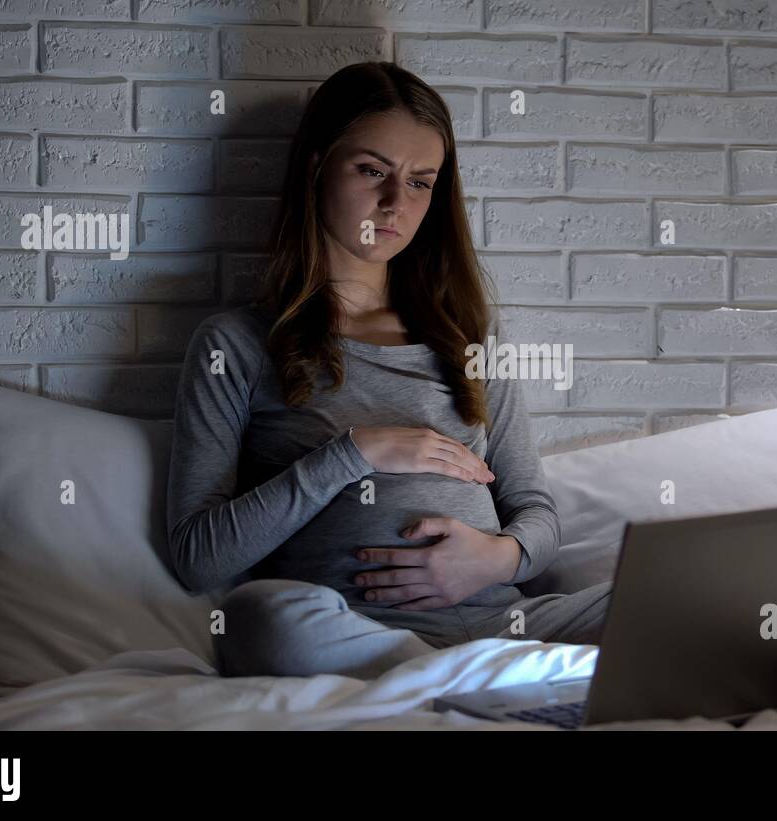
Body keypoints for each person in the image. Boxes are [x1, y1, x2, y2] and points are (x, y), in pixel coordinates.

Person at [165, 61, 612, 681]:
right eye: (372, 170)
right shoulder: (235, 345)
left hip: (501, 623)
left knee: (681, 597)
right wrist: (351, 454)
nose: (395, 202)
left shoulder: (468, 336)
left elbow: (535, 511)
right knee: (260, 617)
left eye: (421, 181)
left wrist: (496, 558)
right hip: (353, 632)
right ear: (318, 165)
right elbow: (199, 556)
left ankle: (470, 677)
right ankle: (459, 678)